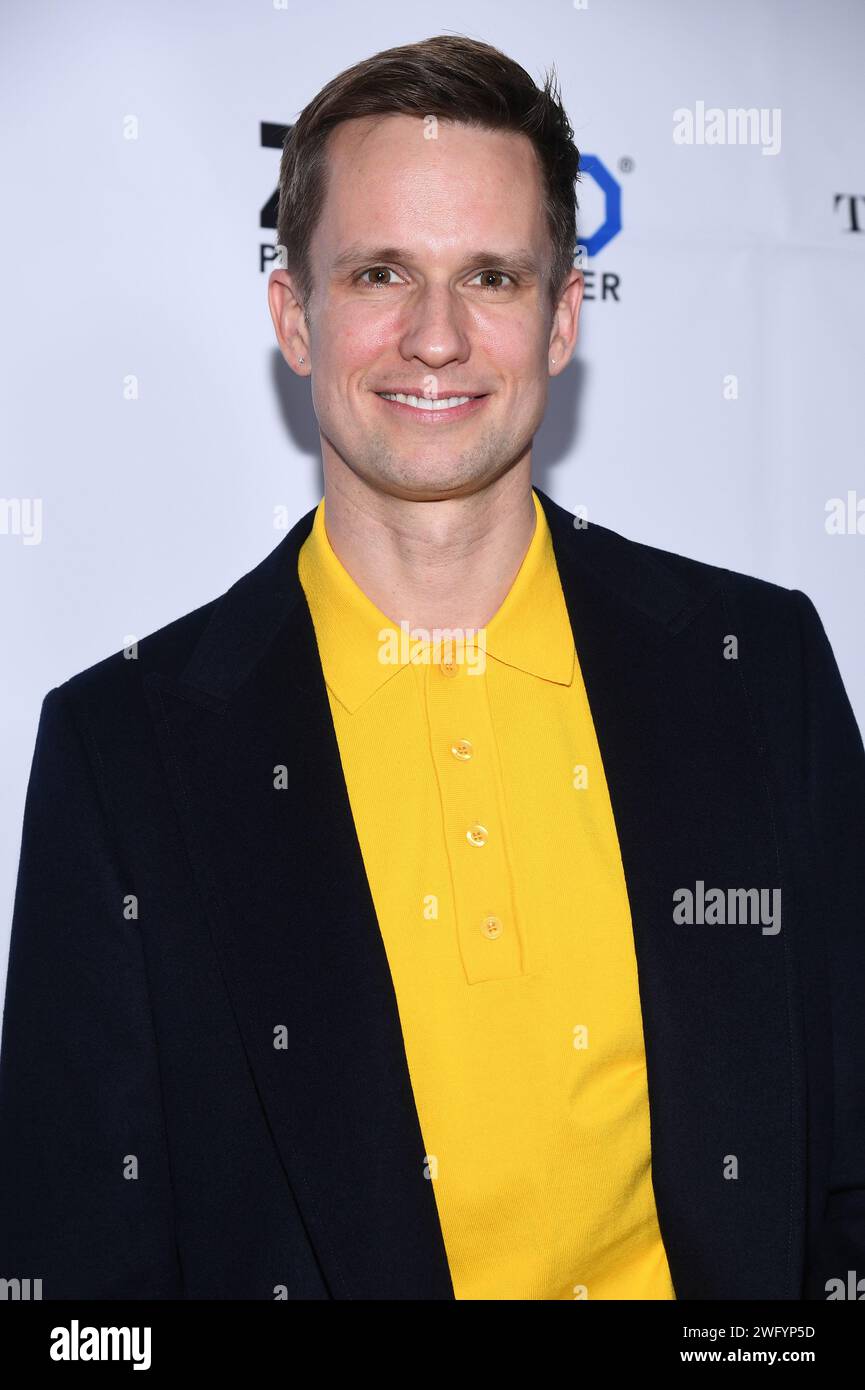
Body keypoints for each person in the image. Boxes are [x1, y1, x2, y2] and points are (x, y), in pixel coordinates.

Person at [1, 33, 863, 1301]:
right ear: (294, 316)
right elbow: (80, 1285)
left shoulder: (757, 669)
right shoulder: (122, 754)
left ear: (562, 318)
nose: (437, 338)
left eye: (491, 277)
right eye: (380, 273)